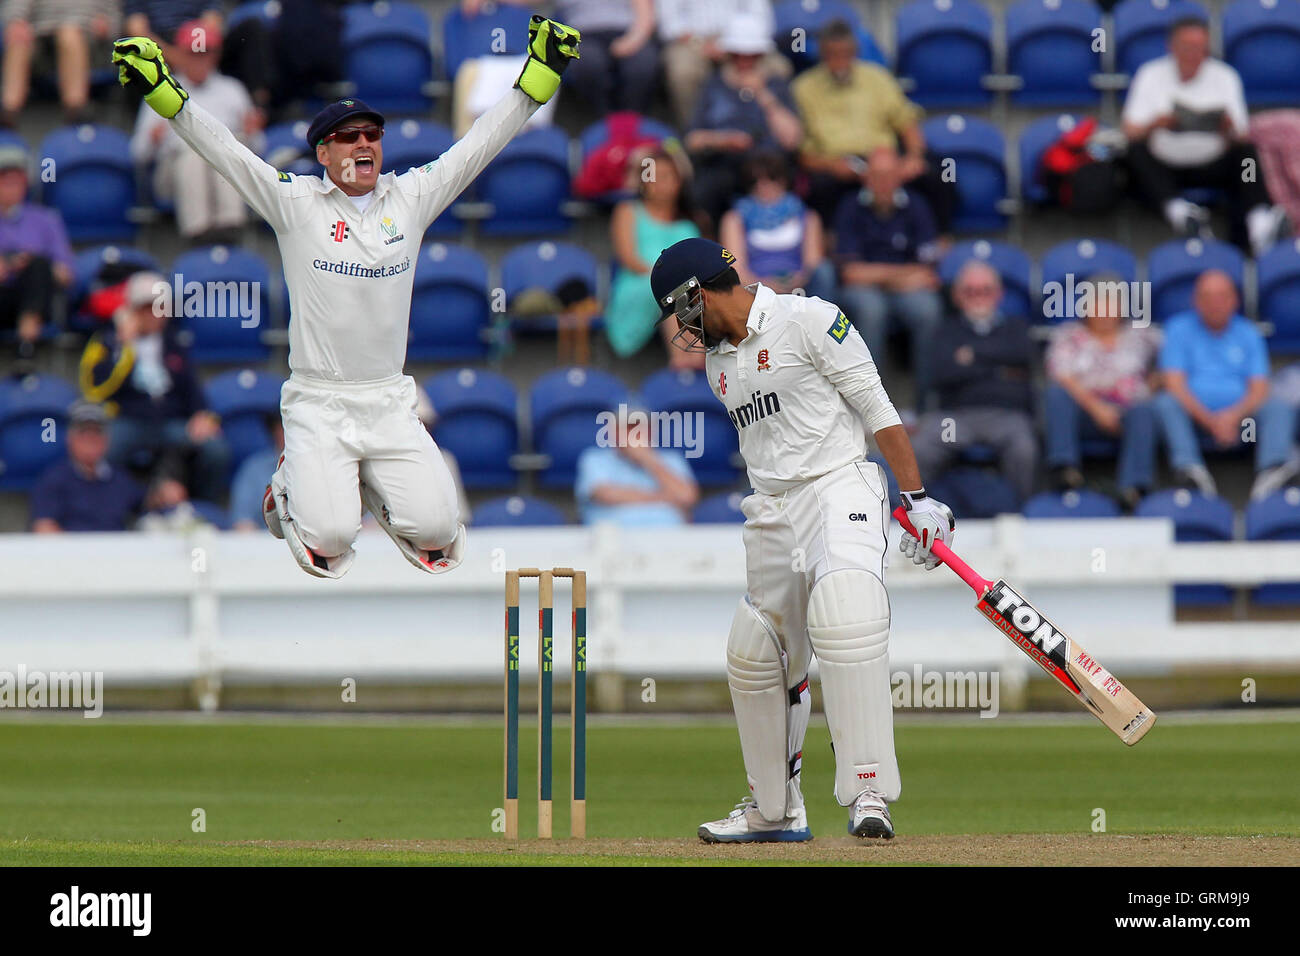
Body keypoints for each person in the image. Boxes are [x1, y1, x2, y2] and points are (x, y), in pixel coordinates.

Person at [113, 17, 580, 577]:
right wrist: (168, 97)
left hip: (388, 399)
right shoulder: (296, 202)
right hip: (318, 401)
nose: (364, 144)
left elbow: (475, 147)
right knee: (328, 548)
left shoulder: (409, 197)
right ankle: (289, 485)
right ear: (324, 153)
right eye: (349, 137)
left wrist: (536, 81)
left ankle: (371, 491)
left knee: (439, 538)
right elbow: (227, 153)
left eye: (372, 136)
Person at [650, 237, 955, 843]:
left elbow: (877, 406)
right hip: (770, 507)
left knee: (846, 615)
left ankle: (869, 794)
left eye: (681, 311)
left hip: (838, 485)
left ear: (699, 292)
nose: (681, 327)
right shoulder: (717, 364)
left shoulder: (809, 319)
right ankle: (774, 810)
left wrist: (916, 498)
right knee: (757, 652)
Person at [1122, 16, 1287, 255]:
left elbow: (1241, 134)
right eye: (1187, 47)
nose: (1193, 54)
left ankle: (1260, 220)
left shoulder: (1225, 76)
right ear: (1172, 46)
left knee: (1247, 155)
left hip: (1213, 162)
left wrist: (1227, 127)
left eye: (1200, 48)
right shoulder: (1150, 74)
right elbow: (1129, 130)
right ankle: (1181, 214)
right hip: (1164, 166)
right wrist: (1156, 124)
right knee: (1134, 151)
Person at [79, 270, 231, 503]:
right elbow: (95, 389)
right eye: (147, 307)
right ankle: (112, 511)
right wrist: (123, 347)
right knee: (102, 452)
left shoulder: (174, 343)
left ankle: (202, 507)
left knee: (215, 450)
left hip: (170, 421)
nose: (155, 314)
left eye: (160, 307)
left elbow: (191, 388)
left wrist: (203, 415)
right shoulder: (107, 342)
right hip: (127, 419)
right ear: (131, 309)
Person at [792, 19, 954, 234]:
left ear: (855, 52)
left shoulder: (877, 78)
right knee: (819, 188)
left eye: (845, 54)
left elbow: (906, 121)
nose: (839, 62)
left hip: (884, 156)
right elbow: (800, 151)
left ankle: (938, 240)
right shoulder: (803, 88)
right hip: (835, 163)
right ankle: (831, 250)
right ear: (822, 54)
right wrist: (831, 165)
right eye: (833, 55)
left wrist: (914, 156)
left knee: (940, 174)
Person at [1152, 270, 1300, 500]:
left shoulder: (1249, 333)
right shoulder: (1178, 329)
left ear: (1235, 300)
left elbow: (1259, 388)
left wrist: (1231, 418)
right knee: (1165, 403)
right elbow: (1174, 385)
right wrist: (1211, 421)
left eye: (1221, 296)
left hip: (1245, 426)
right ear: (1195, 301)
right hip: (1194, 421)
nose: (1214, 304)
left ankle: (1271, 471)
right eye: (1207, 297)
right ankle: (1190, 470)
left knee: (1277, 406)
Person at [910, 262, 1038, 504]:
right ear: (957, 296)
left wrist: (971, 357)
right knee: (925, 445)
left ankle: (1021, 515)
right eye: (970, 291)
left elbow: (1024, 356)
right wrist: (1000, 368)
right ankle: (918, 513)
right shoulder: (944, 329)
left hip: (1006, 417)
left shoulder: (1017, 327)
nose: (978, 297)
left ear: (998, 294)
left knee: (1023, 448)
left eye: (985, 290)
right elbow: (942, 373)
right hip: (956, 419)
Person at [129, 21, 263, 242]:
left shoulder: (233, 90)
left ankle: (230, 226)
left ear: (215, 55)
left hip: (225, 169)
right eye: (193, 53)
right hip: (172, 173)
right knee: (194, 147)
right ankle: (199, 232)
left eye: (205, 53)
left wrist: (252, 134)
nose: (199, 60)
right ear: (179, 54)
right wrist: (152, 140)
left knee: (222, 147)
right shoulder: (161, 90)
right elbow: (137, 153)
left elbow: (258, 148)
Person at [833, 146, 944, 398]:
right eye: (876, 176)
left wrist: (875, 274)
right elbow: (850, 274)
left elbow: (927, 272)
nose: (882, 183)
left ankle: (925, 404)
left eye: (888, 176)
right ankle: (869, 403)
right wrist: (901, 276)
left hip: (904, 290)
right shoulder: (850, 207)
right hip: (864, 290)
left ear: (899, 177)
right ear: (866, 178)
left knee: (928, 310)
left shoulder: (917, 206)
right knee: (872, 310)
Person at [1044, 274, 1161, 510]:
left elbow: (1170, 367)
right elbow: (1061, 374)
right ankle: (1065, 470)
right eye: (1098, 302)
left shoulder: (1142, 335)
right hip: (1084, 413)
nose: (1106, 310)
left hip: (1128, 413)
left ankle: (1132, 489)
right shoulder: (1069, 335)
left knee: (1145, 410)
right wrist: (1097, 408)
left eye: (1112, 303)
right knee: (1056, 395)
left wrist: (1151, 387)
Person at [683, 15, 801, 225]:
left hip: (770, 167)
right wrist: (723, 140)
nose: (744, 61)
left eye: (752, 55)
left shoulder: (776, 84)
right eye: (738, 55)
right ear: (729, 54)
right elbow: (692, 139)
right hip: (724, 166)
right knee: (705, 188)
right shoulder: (714, 85)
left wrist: (762, 93)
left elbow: (792, 139)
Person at [606, 144, 701, 367]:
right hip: (637, 286)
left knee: (687, 291)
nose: (659, 183)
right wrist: (665, 278)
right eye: (652, 176)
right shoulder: (627, 211)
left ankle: (694, 361)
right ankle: (682, 360)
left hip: (681, 291)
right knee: (673, 289)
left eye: (667, 177)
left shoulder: (688, 226)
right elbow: (629, 258)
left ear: (679, 182)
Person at [719, 150, 834, 301]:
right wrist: (767, 286)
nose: (762, 184)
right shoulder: (734, 219)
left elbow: (813, 264)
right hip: (756, 292)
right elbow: (736, 270)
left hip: (802, 289)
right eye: (754, 180)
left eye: (771, 177)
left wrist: (794, 283)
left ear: (784, 180)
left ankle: (823, 321)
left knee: (824, 270)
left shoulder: (807, 216)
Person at [654, 0, 784, 128]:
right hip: (692, 41)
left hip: (744, 37)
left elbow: (762, 18)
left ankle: (772, 132)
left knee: (779, 67)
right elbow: (669, 24)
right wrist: (701, 43)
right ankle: (692, 133)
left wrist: (733, 43)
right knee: (683, 72)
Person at [0, 145, 75, 366]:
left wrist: (32, 263)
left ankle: (26, 344)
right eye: (5, 180)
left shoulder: (46, 219)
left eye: (17, 180)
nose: (12, 187)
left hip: (35, 297)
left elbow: (66, 275)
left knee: (39, 265)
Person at [30, 401, 144, 533]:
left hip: (116, 550)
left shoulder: (120, 478)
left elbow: (146, 504)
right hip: (70, 552)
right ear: (69, 438)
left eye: (97, 431)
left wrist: (161, 496)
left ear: (107, 439)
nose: (90, 438)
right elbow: (44, 527)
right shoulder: (52, 480)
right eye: (83, 432)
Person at [575, 407, 699, 526]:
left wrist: (648, 459)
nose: (635, 434)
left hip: (669, 539)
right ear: (614, 431)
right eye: (629, 427)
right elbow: (605, 494)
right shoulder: (595, 459)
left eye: (641, 427)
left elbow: (687, 496)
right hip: (615, 540)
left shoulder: (672, 459)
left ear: (651, 431)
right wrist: (666, 498)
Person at [1, 0, 116, 125]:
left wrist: (107, 25)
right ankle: (8, 112)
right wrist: (17, 21)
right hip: (39, 31)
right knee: (19, 40)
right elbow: (16, 4)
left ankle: (76, 110)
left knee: (68, 36)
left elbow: (115, 15)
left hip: (87, 37)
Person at [230, 411, 284, 531]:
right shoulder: (254, 468)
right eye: (283, 428)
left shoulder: (319, 468)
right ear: (275, 431)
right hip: (264, 542)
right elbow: (241, 519)